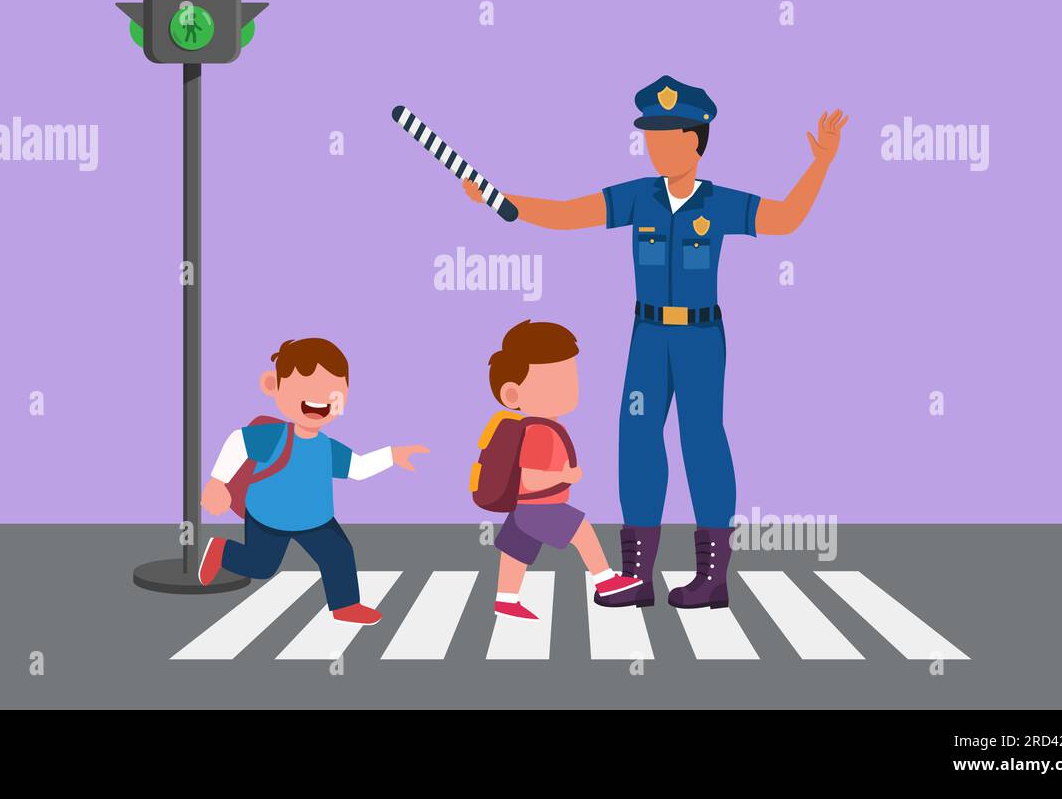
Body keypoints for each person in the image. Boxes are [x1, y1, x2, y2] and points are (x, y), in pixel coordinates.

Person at [462, 76, 848, 609]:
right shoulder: (637, 197)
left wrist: (821, 162)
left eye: (668, 136)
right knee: (637, 444)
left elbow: (784, 219)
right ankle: (637, 576)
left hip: (699, 338)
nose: (656, 147)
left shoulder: (720, 202)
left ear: (697, 140)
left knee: (703, 444)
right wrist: (502, 200)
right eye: (650, 136)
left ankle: (712, 578)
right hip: (647, 337)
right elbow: (568, 212)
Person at [198, 337, 428, 625]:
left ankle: (346, 605)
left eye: (332, 391)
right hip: (268, 517)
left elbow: (357, 468)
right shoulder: (275, 437)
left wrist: (392, 455)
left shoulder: (328, 446)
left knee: (339, 554)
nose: (320, 399)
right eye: (306, 388)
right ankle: (223, 550)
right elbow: (239, 442)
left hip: (316, 519)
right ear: (273, 386)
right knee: (260, 566)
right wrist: (217, 482)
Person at [482, 321, 643, 619]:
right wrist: (565, 476)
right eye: (555, 382)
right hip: (542, 506)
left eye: (571, 377)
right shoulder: (541, 432)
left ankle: (505, 598)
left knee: (515, 551)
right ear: (513, 395)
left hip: (524, 509)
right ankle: (605, 581)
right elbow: (528, 477)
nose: (569, 388)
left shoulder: (541, 427)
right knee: (582, 531)